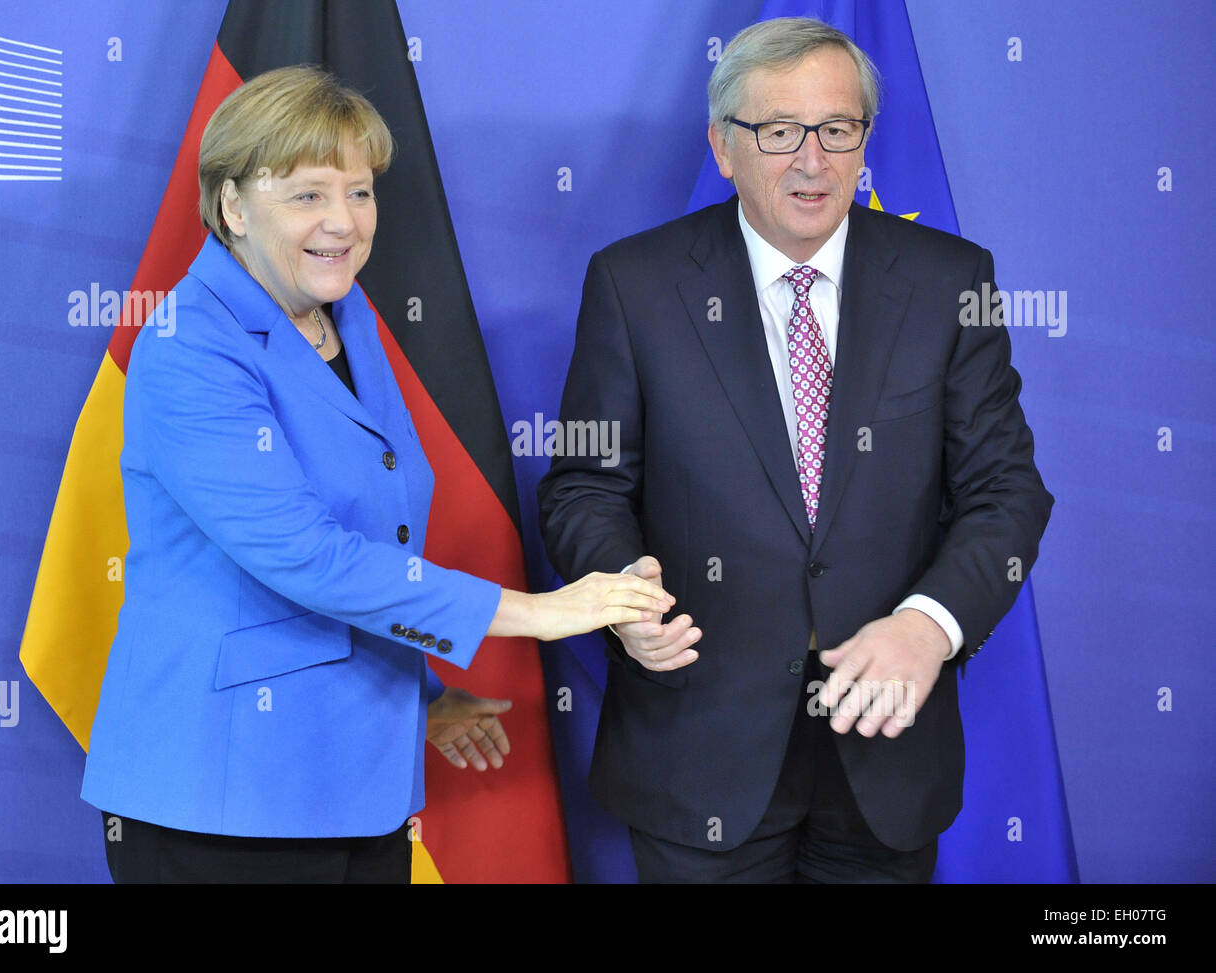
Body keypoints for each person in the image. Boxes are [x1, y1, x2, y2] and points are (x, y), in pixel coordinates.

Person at [80, 65, 673, 884]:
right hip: (225, 794)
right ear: (232, 207)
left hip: (362, 782)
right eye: (307, 195)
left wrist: (423, 696)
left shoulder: (342, 313)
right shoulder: (190, 344)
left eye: (359, 193)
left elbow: (373, 533)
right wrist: (536, 613)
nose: (344, 222)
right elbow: (305, 554)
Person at [538, 17, 1053, 883]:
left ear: (863, 142)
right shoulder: (635, 282)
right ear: (724, 145)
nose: (811, 159)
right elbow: (584, 488)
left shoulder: (949, 280)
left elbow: (1007, 491)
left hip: (888, 745)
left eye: (837, 130)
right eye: (778, 132)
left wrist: (929, 628)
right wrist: (629, 595)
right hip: (696, 743)